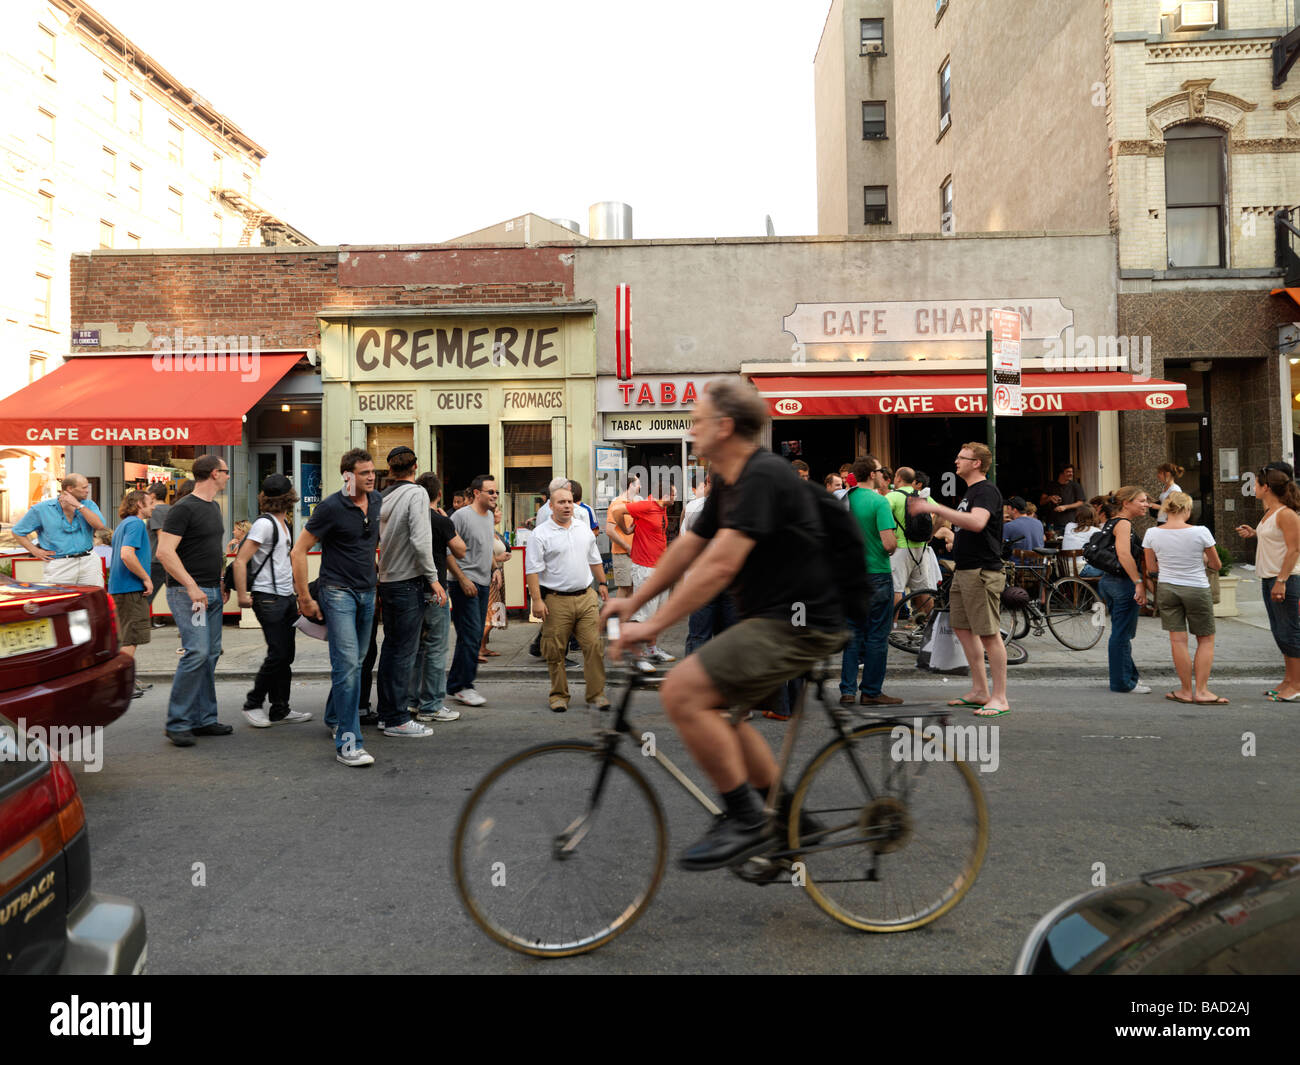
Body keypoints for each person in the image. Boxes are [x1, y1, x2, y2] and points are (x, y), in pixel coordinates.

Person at [602, 378, 847, 869]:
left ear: (726, 426)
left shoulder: (762, 476)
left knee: (682, 692)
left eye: (697, 422)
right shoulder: (729, 480)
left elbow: (717, 566)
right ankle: (792, 818)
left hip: (800, 621)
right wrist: (633, 605)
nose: (691, 431)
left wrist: (652, 627)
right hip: (772, 617)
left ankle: (747, 819)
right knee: (723, 715)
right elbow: (688, 550)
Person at [293, 449, 382, 767]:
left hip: (367, 594)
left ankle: (334, 716)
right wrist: (305, 597)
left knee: (356, 665)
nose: (371, 476)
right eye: (364, 473)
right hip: (337, 593)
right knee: (347, 667)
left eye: (372, 471)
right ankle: (349, 743)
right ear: (347, 476)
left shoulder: (376, 500)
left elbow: (370, 545)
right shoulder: (330, 507)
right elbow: (298, 550)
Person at [908, 442, 1009, 716]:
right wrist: (955, 538)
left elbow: (977, 522)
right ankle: (979, 690)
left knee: (989, 634)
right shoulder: (971, 492)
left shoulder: (985, 490)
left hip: (981, 572)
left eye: (962, 458)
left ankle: (999, 697)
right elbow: (973, 529)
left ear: (977, 463)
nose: (956, 462)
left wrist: (938, 509)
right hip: (965, 570)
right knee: (963, 630)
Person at [156, 455, 233, 747]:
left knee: (210, 654)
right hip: (191, 594)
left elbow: (211, 549)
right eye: (225, 472)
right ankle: (177, 723)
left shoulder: (213, 507)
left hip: (211, 591)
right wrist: (191, 586)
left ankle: (204, 719)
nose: (228, 476)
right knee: (197, 652)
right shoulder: (183, 508)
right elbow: (164, 552)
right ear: (214, 473)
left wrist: (222, 582)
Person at [525, 484, 611, 712]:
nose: (566, 506)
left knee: (593, 646)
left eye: (569, 502)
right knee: (554, 650)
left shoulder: (583, 529)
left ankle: (596, 694)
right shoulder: (540, 534)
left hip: (586, 597)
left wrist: (602, 583)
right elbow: (532, 570)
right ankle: (559, 695)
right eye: (561, 502)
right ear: (551, 506)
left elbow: (594, 559)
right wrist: (536, 600)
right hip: (556, 600)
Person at [235, 473, 311, 728]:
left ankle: (280, 708)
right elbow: (240, 560)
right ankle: (253, 703)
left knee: (285, 655)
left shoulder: (282, 523)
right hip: (268, 598)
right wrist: (243, 595)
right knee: (278, 654)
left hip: (284, 597)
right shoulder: (264, 525)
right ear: (290, 497)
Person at [1142, 491, 1223, 705]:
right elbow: (1216, 565)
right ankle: (1202, 691)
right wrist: (1203, 560)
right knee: (1205, 639)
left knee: (1178, 641)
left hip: (1167, 588)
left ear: (1166, 510)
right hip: (1197, 587)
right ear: (1187, 510)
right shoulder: (1201, 532)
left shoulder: (1151, 533)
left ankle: (1186, 690)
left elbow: (1151, 568)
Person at [1237, 462, 1300, 701]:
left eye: (1255, 483)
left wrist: (1281, 581)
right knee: (1280, 632)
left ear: (1266, 487)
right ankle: (1288, 680)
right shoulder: (1270, 513)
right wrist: (1254, 533)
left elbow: (1294, 550)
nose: (1253, 486)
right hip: (1269, 577)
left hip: (1285, 578)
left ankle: (1297, 684)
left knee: (1290, 632)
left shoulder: (1286, 514)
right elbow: (1277, 540)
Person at [840, 456, 901, 707]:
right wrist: (892, 545)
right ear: (872, 474)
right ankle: (871, 692)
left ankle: (847, 690)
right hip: (876, 573)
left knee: (852, 633)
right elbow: (888, 543)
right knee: (876, 635)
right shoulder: (879, 501)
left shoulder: (844, 500)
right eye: (879, 470)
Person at [408, 473, 464, 723]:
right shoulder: (439, 521)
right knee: (436, 649)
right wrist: (447, 522)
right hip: (435, 591)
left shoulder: (410, 517)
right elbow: (460, 550)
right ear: (439, 495)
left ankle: (411, 701)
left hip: (410, 589)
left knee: (416, 649)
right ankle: (431, 705)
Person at [445, 474, 498, 708]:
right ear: (477, 493)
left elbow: (484, 548)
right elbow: (446, 551)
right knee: (471, 634)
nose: (495, 496)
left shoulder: (488, 517)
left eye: (496, 492)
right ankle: (464, 686)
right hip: (464, 583)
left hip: (483, 582)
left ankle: (457, 684)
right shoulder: (461, 516)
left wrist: (495, 567)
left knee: (472, 636)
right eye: (491, 492)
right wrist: (462, 579)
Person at [1094, 486, 1152, 695]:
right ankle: (1122, 682)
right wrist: (1138, 582)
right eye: (1142, 501)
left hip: (1109, 581)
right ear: (1126, 503)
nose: (1146, 504)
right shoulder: (1124, 524)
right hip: (1122, 583)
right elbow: (1124, 555)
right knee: (1121, 634)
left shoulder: (1112, 522)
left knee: (1121, 632)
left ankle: (1128, 678)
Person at [13, 473, 108, 587]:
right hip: (59, 564)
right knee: (59, 602)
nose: (87, 490)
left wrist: (78, 506)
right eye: (84, 487)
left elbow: (100, 525)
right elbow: (17, 532)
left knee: (93, 601)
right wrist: (35, 551)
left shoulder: (88, 505)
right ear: (70, 488)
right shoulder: (41, 509)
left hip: (89, 561)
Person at [622, 480, 677, 662]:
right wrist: (626, 530)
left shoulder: (661, 508)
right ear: (667, 496)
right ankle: (636, 655)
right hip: (645, 568)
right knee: (644, 614)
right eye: (674, 495)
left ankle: (652, 649)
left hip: (659, 567)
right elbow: (616, 512)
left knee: (656, 614)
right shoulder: (646, 505)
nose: (676, 498)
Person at [682, 472, 737, 656]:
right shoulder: (695, 508)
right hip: (709, 584)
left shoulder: (694, 508)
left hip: (718, 584)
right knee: (707, 639)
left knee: (705, 639)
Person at [108, 489, 155, 699]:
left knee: (126, 635)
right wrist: (146, 578)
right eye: (150, 502)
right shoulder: (136, 524)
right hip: (130, 588)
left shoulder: (123, 525)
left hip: (120, 588)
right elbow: (127, 554)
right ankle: (122, 684)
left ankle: (128, 678)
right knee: (131, 637)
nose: (153, 506)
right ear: (139, 505)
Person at [887, 466, 941, 613]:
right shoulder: (922, 496)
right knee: (923, 589)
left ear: (898, 478)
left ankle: (894, 628)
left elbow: (883, 517)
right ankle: (928, 626)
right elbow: (940, 515)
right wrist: (930, 535)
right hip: (922, 549)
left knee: (897, 589)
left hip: (900, 548)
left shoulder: (892, 496)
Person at [478, 508, 509, 662]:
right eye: (497, 511)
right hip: (490, 576)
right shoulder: (485, 531)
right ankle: (476, 647)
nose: (500, 513)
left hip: (498, 574)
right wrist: (499, 558)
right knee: (494, 614)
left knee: (496, 611)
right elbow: (483, 555)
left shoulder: (494, 532)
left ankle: (482, 647)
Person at [606, 473, 639, 599]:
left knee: (632, 587)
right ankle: (619, 617)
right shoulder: (617, 504)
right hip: (623, 553)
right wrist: (627, 547)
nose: (640, 487)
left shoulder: (634, 503)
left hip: (634, 553)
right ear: (631, 485)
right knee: (624, 588)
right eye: (638, 484)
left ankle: (627, 617)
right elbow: (610, 530)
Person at [146, 482, 170, 619]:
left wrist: (162, 556)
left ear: (153, 495)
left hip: (157, 560)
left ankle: (137, 626)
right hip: (168, 559)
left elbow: (161, 535)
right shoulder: (171, 509)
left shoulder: (156, 511)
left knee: (147, 595)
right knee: (178, 594)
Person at [1040, 464, 1086, 532]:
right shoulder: (1050, 485)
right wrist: (1049, 498)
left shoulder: (1075, 486)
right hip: (1052, 522)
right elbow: (1041, 502)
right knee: (1052, 542)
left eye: (1072, 472)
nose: (1071, 474)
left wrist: (1065, 507)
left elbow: (1081, 502)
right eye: (1068, 472)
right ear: (1061, 473)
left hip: (1070, 522)